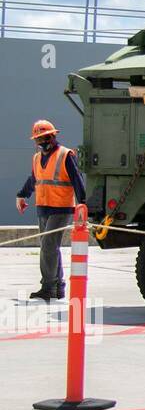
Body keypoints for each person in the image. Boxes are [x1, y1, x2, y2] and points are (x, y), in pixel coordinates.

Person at [15, 120, 86, 301]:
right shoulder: (37, 157)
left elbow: (77, 180)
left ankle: (48, 287)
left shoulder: (65, 155)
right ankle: (58, 287)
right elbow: (34, 179)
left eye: (46, 137)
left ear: (54, 136)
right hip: (43, 207)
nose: (43, 142)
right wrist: (22, 195)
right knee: (51, 248)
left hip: (61, 208)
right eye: (39, 139)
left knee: (48, 247)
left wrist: (83, 206)